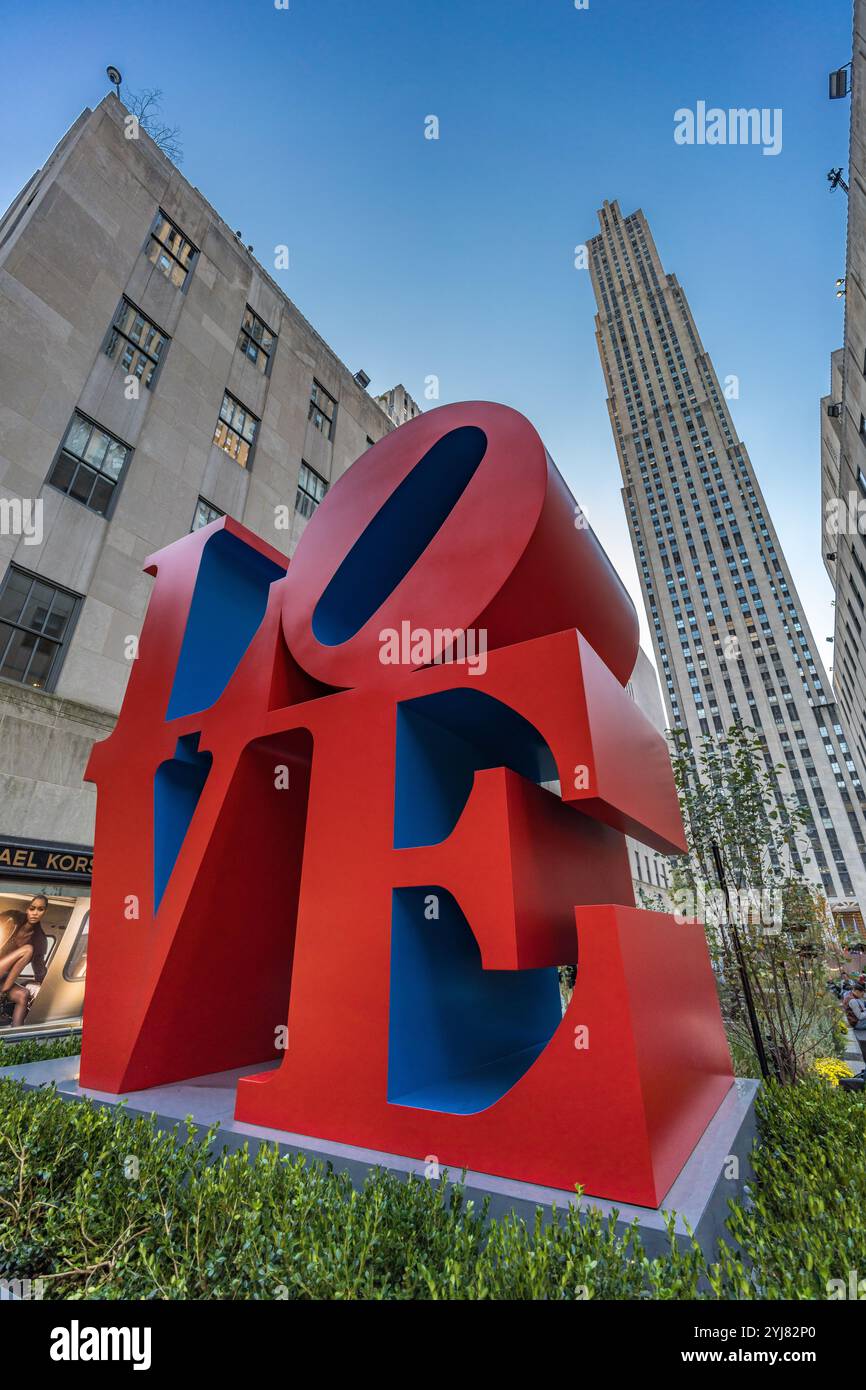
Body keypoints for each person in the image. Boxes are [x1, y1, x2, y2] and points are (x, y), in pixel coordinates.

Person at [0, 894, 49, 1027]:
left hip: (3, 978)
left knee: (23, 994)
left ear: (45, 912)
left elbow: (39, 970)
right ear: (27, 909)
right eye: (32, 908)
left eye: (40, 909)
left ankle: (17, 1038)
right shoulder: (12, 918)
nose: (35, 913)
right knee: (27, 950)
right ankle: (2, 993)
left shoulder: (40, 940)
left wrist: (45, 985)